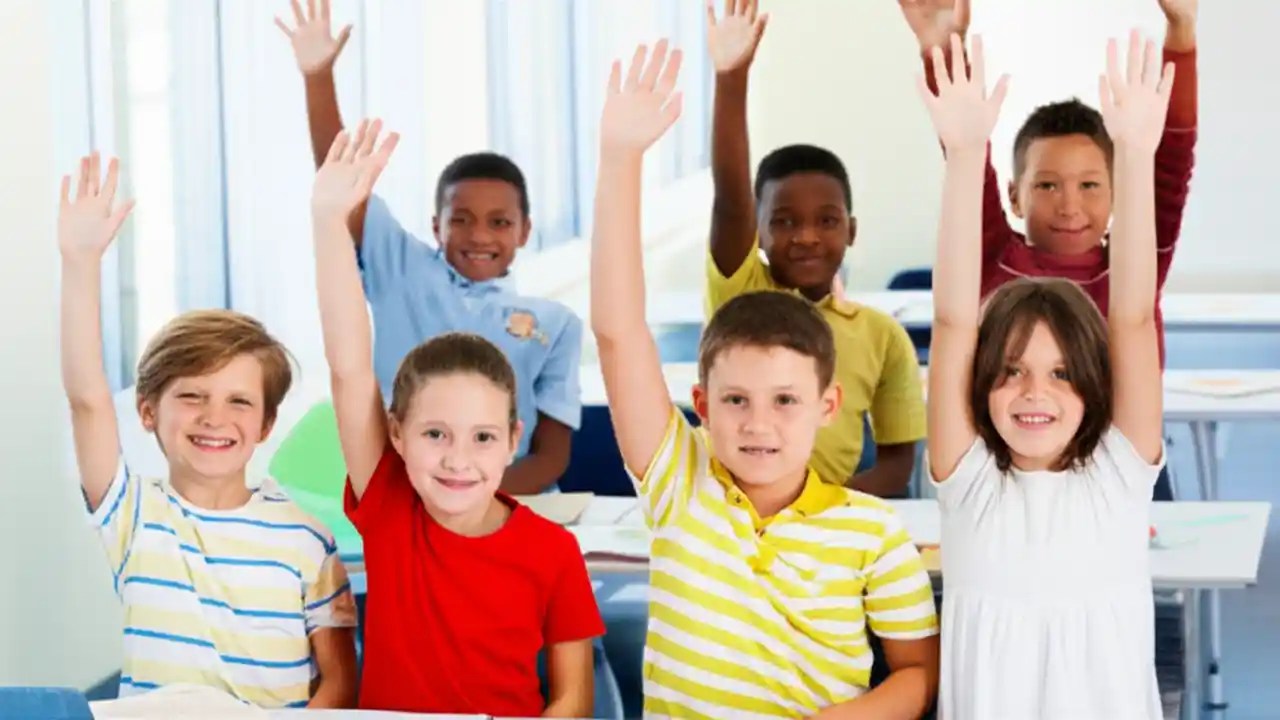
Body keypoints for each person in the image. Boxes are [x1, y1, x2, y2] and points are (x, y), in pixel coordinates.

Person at [590, 39, 940, 718]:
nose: (757, 423)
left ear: (829, 405)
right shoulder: (678, 484)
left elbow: (917, 674)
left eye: (785, 400)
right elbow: (617, 331)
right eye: (736, 400)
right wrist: (620, 160)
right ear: (702, 403)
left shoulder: (873, 532)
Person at [309, 119, 604, 715]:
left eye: (484, 437)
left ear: (511, 439)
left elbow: (573, 697)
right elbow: (349, 370)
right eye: (435, 434)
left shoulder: (553, 551)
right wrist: (326, 221)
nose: (458, 459)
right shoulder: (391, 509)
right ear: (396, 435)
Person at [922, 31, 1170, 718]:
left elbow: (1130, 319)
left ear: (1097, 386)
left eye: (1064, 373)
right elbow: (951, 324)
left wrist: (1139, 157)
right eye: (1011, 371)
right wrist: (965, 152)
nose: (1036, 392)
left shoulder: (1120, 474)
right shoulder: (967, 481)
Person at [59, 154, 357, 708]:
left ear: (266, 424)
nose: (214, 417)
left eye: (238, 401)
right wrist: (80, 263)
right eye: (191, 396)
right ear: (148, 412)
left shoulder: (307, 539)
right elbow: (87, 401)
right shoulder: (134, 514)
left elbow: (339, 680)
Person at [276, 0, 581, 494]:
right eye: (460, 220)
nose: (479, 235)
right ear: (434, 226)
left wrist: (476, 497)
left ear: (525, 230)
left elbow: (552, 455)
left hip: (510, 501)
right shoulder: (402, 270)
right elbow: (343, 184)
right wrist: (317, 76)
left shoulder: (555, 324)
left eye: (499, 222)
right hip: (410, 496)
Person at [703, 0, 927, 497]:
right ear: (758, 233)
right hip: (731, 518)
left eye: (825, 221)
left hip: (828, 531)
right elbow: (732, 200)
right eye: (783, 222)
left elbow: (895, 467)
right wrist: (731, 78)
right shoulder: (740, 298)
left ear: (851, 230)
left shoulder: (882, 337)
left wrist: (820, 518)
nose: (805, 236)